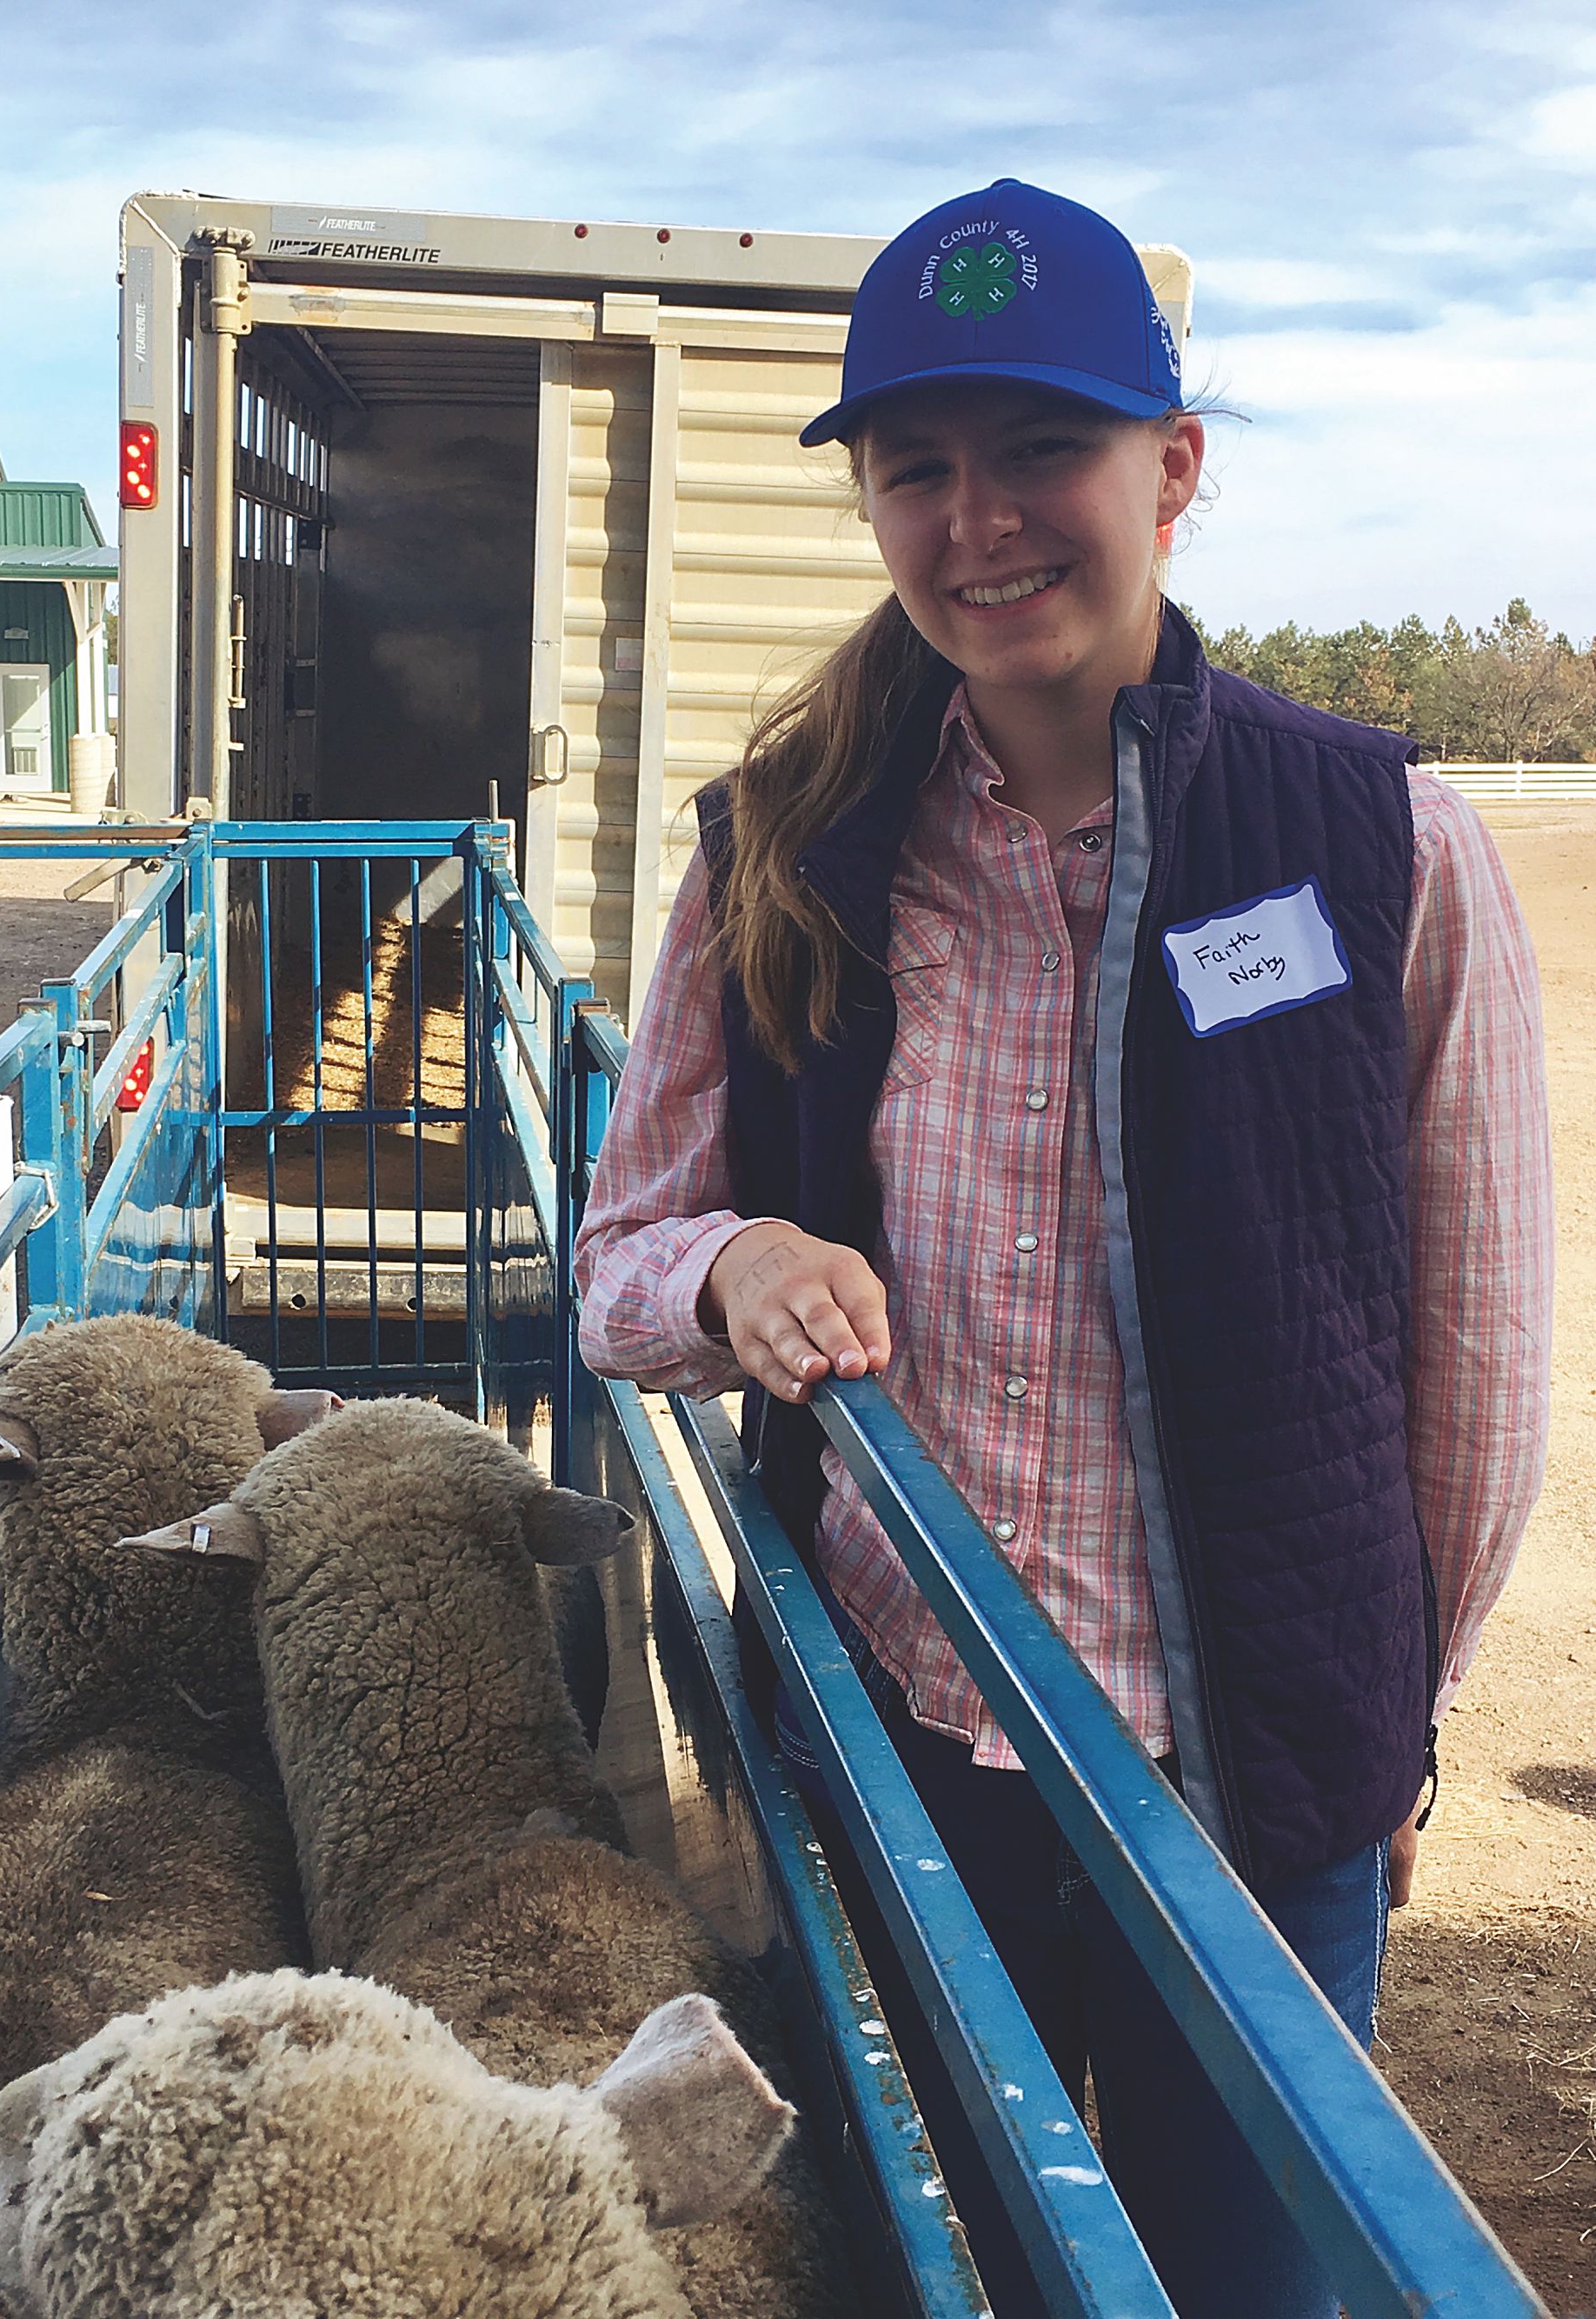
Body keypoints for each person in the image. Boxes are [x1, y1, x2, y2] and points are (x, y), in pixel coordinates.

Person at [574, 177, 1551, 2319]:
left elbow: (1476, 1356)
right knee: (945, 2256)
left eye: (1042, 448)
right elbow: (618, 1250)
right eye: (914, 465)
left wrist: (1386, 1719)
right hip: (899, 1731)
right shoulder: (783, 847)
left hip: (1246, 1783)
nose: (977, 518)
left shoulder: (1378, 841)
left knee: (1243, 2277)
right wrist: (731, 1261)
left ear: (1171, 470)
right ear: (867, 500)